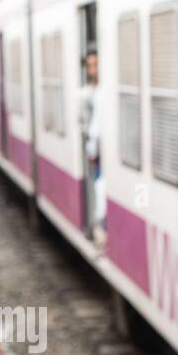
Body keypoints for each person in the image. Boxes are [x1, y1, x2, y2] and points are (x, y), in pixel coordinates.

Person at [78, 47, 105, 245]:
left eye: (96, 64)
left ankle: (101, 229)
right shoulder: (88, 92)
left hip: (100, 151)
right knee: (98, 187)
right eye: (90, 65)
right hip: (96, 152)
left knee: (101, 189)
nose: (93, 69)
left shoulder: (102, 92)